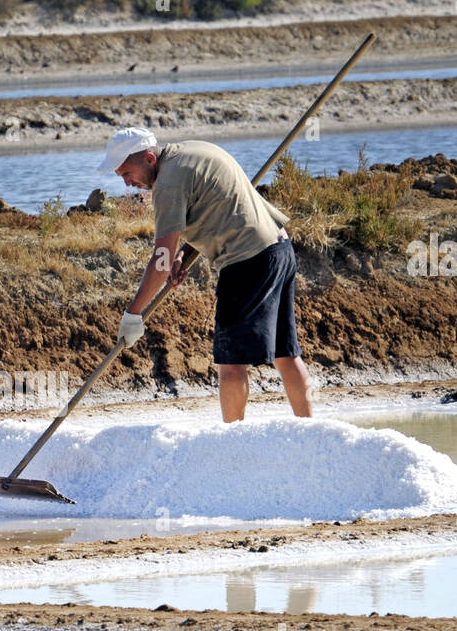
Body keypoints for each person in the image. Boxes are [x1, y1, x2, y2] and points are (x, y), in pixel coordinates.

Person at [96, 127, 312, 422]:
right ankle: (309, 429)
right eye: (120, 176)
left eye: (126, 173)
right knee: (286, 355)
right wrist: (184, 252)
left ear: (148, 158)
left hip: (246, 262)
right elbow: (218, 206)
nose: (126, 183)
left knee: (231, 363)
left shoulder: (167, 185)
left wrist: (133, 314)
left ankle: (232, 442)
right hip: (278, 249)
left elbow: (161, 261)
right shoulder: (193, 152)